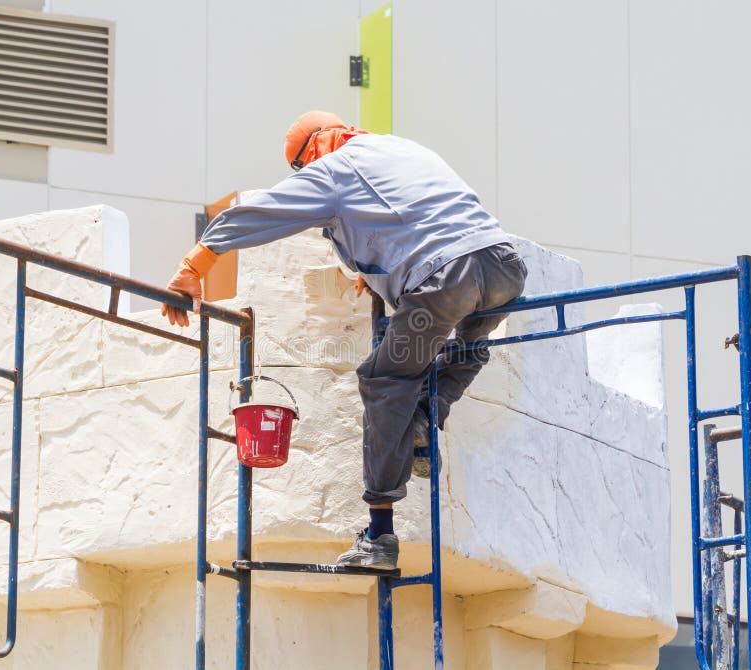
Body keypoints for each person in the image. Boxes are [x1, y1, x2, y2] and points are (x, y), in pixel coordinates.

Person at [161, 110, 527, 570]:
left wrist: (193, 267)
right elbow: (411, 216)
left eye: (300, 167)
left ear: (311, 150)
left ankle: (379, 535)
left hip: (445, 280)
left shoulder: (336, 165)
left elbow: (263, 212)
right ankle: (422, 421)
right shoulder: (403, 148)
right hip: (503, 270)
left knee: (385, 379)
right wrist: (376, 273)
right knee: (468, 347)